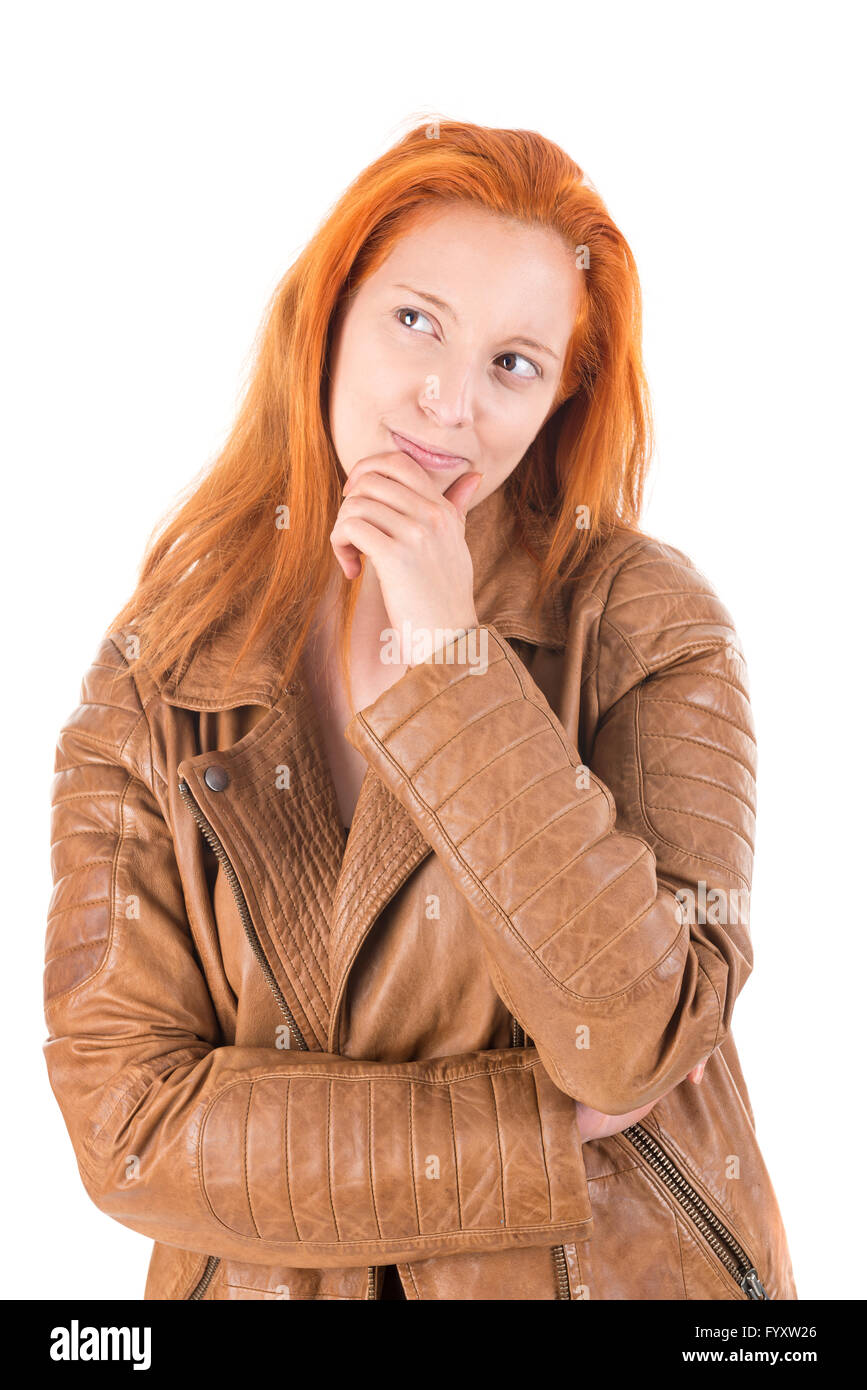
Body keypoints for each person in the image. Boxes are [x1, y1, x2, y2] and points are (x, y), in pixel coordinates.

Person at [43, 118, 797, 1300]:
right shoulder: (160, 671)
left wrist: (454, 662)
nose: (449, 403)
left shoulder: (648, 623)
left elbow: (635, 1040)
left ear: (558, 401)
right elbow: (127, 1120)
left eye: (514, 364)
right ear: (332, 313)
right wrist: (532, 1132)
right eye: (416, 322)